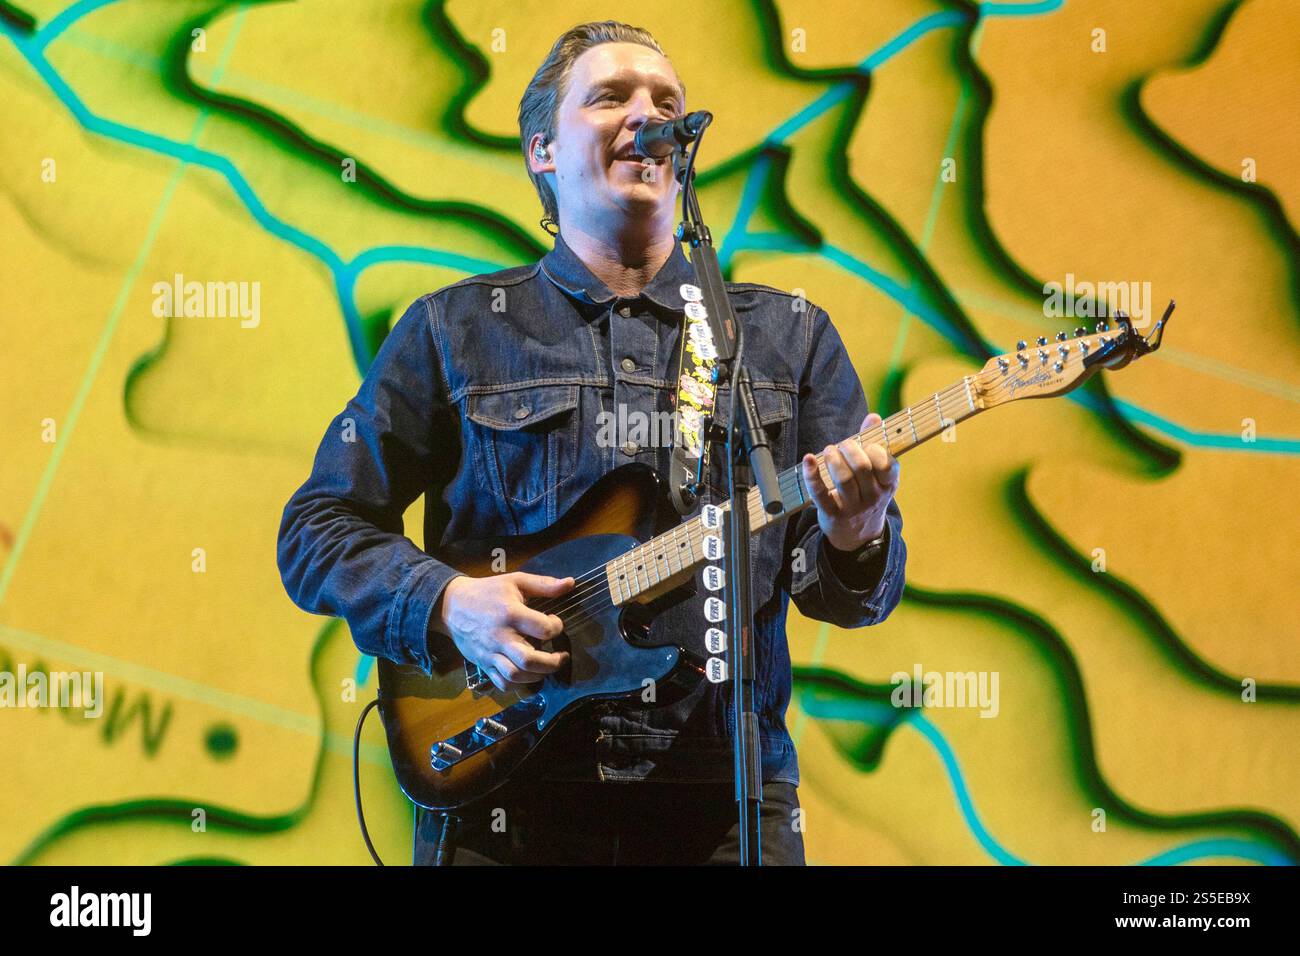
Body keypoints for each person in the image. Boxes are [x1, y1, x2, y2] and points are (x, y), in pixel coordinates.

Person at [276, 20, 906, 866]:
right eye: (611, 97)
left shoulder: (787, 338)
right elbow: (317, 529)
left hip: (722, 800)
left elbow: (847, 598)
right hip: (507, 793)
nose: (645, 116)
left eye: (666, 104)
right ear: (541, 150)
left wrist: (856, 532)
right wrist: (448, 605)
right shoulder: (454, 330)